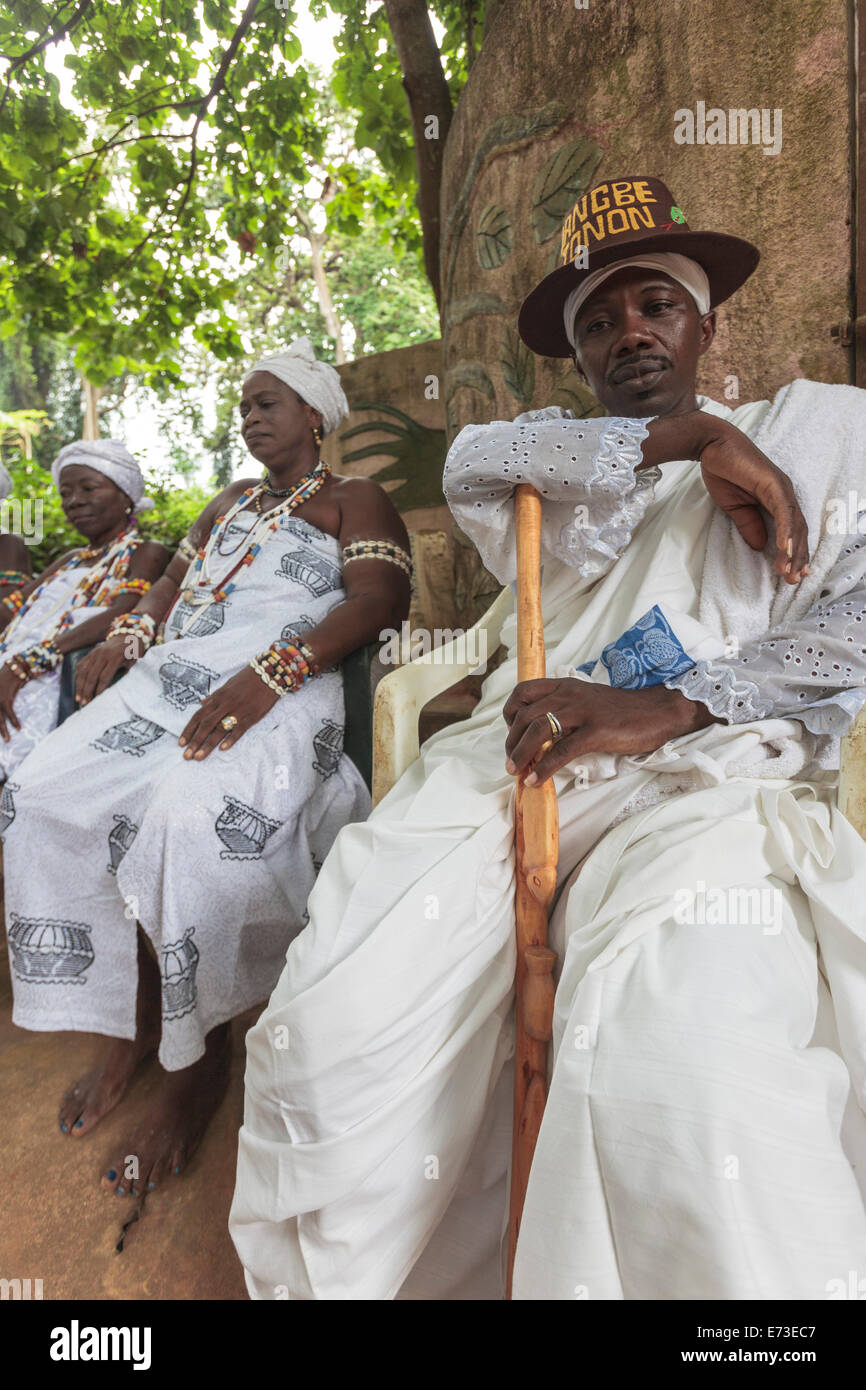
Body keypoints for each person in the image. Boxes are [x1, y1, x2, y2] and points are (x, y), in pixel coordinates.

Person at [230, 177, 866, 1300]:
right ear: (575, 356)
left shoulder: (822, 428)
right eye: (598, 321)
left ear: (705, 323)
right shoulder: (558, 465)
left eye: (653, 307)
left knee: (677, 1059)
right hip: (513, 763)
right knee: (327, 1030)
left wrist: (675, 704)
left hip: (701, 780)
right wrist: (694, 438)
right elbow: (473, 456)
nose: (628, 332)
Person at [1, 337, 411, 1195]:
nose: (252, 417)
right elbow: (171, 587)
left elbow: (380, 600)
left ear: (314, 415)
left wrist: (274, 673)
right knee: (37, 794)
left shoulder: (354, 499)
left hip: (280, 684)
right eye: (244, 407)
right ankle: (128, 1021)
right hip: (166, 686)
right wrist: (134, 631)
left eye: (268, 403)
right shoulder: (224, 503)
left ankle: (198, 1060)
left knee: (188, 823)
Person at [0, 441, 170, 781]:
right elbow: (10, 611)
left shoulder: (145, 551)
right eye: (65, 493)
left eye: (88, 488)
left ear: (125, 495)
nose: (74, 501)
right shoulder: (70, 560)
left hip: (49, 673)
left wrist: (29, 663)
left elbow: (120, 614)